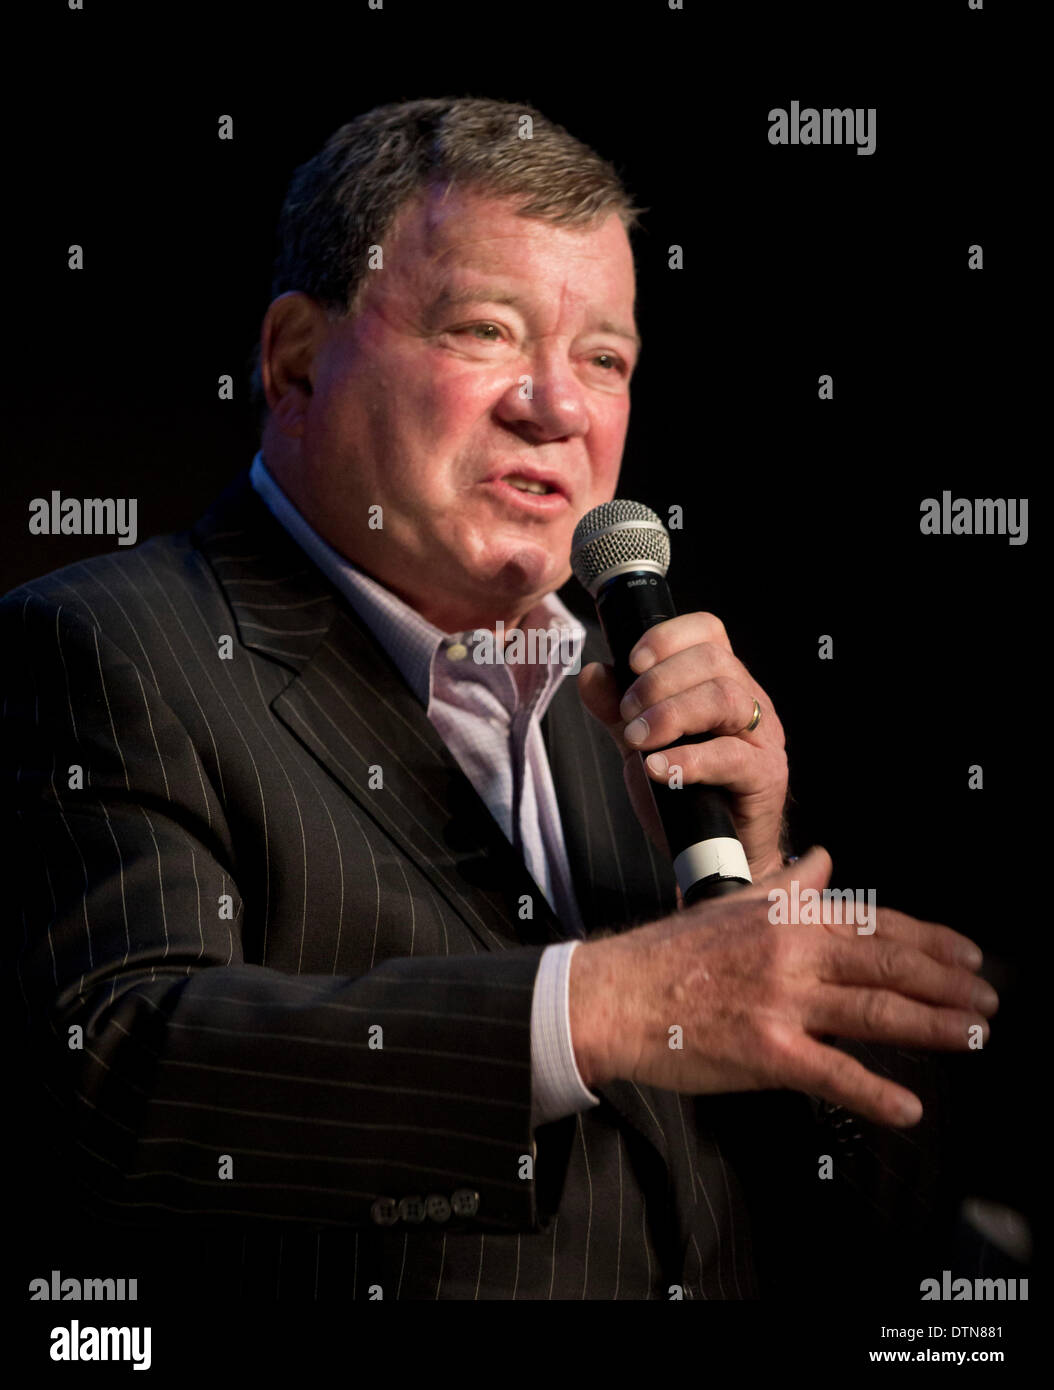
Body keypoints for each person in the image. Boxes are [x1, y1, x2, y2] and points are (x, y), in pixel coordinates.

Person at [2, 97, 996, 1301]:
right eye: (485, 330)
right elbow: (111, 1082)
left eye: (605, 358)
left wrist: (746, 866)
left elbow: (870, 1234)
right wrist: (611, 1002)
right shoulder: (101, 644)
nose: (558, 405)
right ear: (295, 360)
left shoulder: (643, 707)